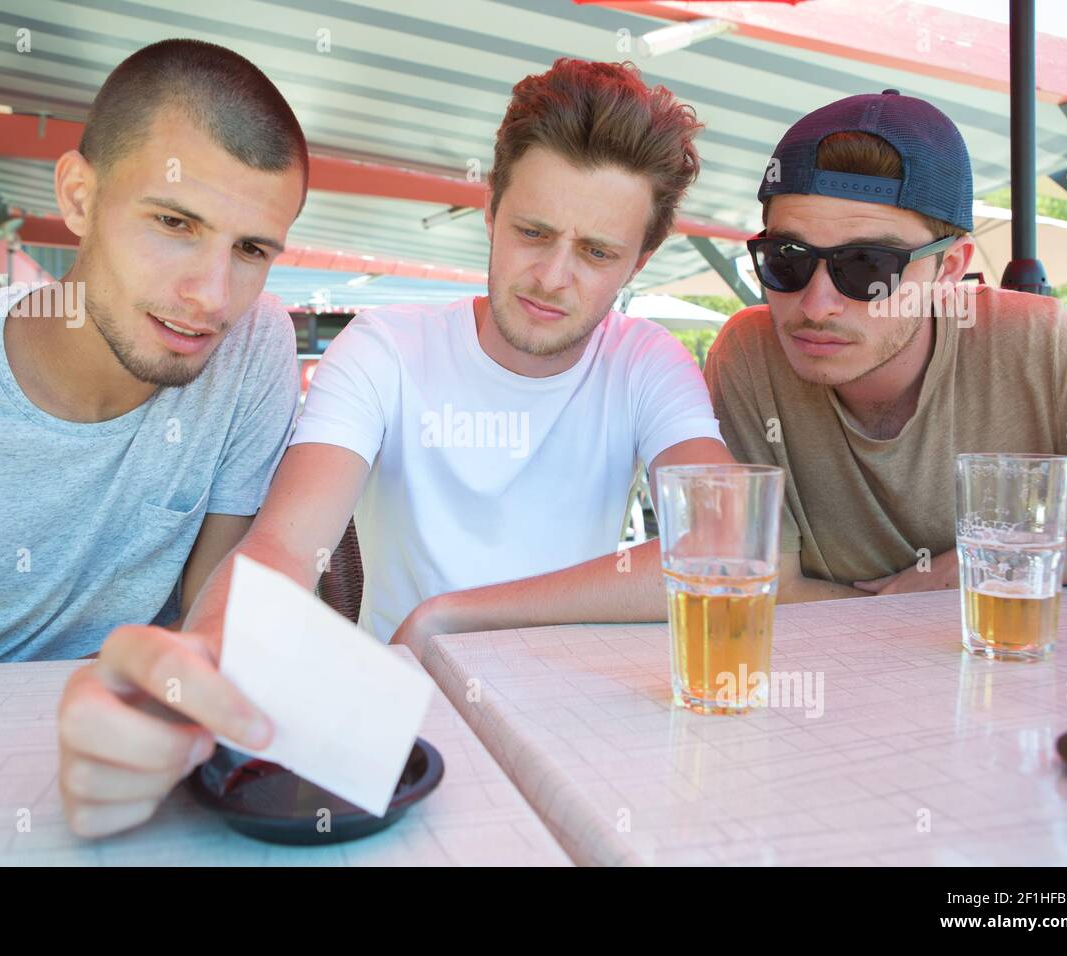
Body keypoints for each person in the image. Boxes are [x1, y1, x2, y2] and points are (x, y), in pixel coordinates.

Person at [58, 58, 736, 837]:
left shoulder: (648, 360)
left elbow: (718, 545)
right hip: (399, 723)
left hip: (580, 717)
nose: (552, 277)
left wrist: (455, 614)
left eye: (596, 253)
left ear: (638, 261)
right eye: (533, 232)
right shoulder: (387, 346)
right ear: (490, 213)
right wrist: (195, 675)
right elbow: (282, 544)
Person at [0, 39, 308, 668]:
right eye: (173, 223)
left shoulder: (252, 341)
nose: (211, 299)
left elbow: (212, 623)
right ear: (79, 197)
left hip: (141, 727)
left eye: (251, 250)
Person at [702, 90, 1067, 603]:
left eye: (867, 267)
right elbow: (769, 585)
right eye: (786, 257)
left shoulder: (1043, 345)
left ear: (948, 269)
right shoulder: (748, 356)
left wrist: (974, 564)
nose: (816, 305)